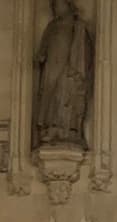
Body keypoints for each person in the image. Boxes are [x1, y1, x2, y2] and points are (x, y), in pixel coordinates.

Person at [33, 0, 94, 148]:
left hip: (69, 69)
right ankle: (51, 130)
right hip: (51, 70)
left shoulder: (78, 26)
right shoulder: (52, 26)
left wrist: (76, 67)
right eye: (53, 5)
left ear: (68, 5)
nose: (55, 8)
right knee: (49, 99)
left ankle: (68, 131)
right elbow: (42, 50)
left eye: (58, 4)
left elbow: (86, 53)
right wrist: (41, 56)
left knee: (66, 97)